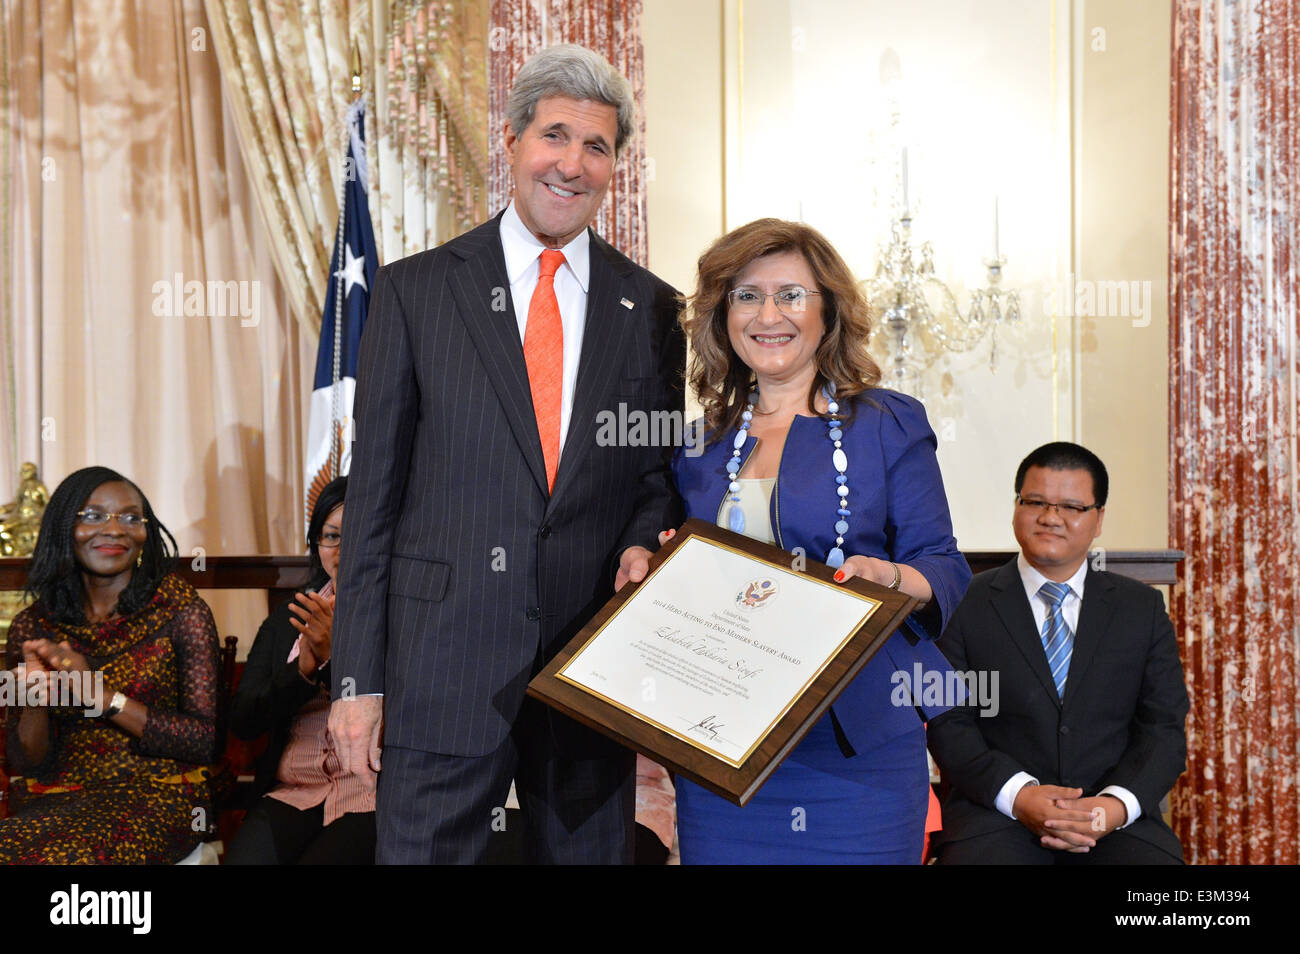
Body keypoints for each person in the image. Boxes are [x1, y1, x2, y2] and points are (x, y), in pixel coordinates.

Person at [328, 44, 685, 864]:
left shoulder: (653, 308)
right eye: (554, 136)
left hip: (589, 670)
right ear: (512, 142)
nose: (572, 163)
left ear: (615, 167)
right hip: (440, 662)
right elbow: (372, 501)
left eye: (596, 146)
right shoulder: (416, 291)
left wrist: (640, 537)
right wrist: (359, 681)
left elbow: (656, 478)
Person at [668, 218, 971, 863]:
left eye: (790, 294)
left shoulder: (887, 422)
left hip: (855, 750)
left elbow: (943, 566)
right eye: (745, 295)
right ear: (721, 316)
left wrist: (883, 579)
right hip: (723, 745)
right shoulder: (697, 446)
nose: (767, 314)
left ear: (828, 309)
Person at [927, 442, 1189, 864]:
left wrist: (1114, 806)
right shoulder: (963, 603)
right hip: (996, 814)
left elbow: (1164, 727)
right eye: (1035, 502)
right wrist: (1020, 796)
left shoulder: (1141, 608)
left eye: (1071, 506)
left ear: (1098, 518)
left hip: (1113, 820)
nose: (1050, 518)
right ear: (1017, 506)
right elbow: (948, 722)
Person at [0, 466, 219, 864]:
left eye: (132, 517)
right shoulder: (32, 627)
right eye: (94, 516)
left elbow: (203, 739)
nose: (116, 529)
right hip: (57, 798)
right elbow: (22, 760)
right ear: (64, 526)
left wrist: (102, 697)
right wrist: (34, 702)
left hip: (159, 794)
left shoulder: (181, 611)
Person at [224, 476, 376, 864]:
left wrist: (331, 659)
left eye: (358, 533)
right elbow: (244, 720)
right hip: (293, 787)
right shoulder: (287, 619)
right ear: (316, 544)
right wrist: (303, 670)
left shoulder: (402, 615)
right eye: (331, 536)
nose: (344, 549)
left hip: (371, 791)